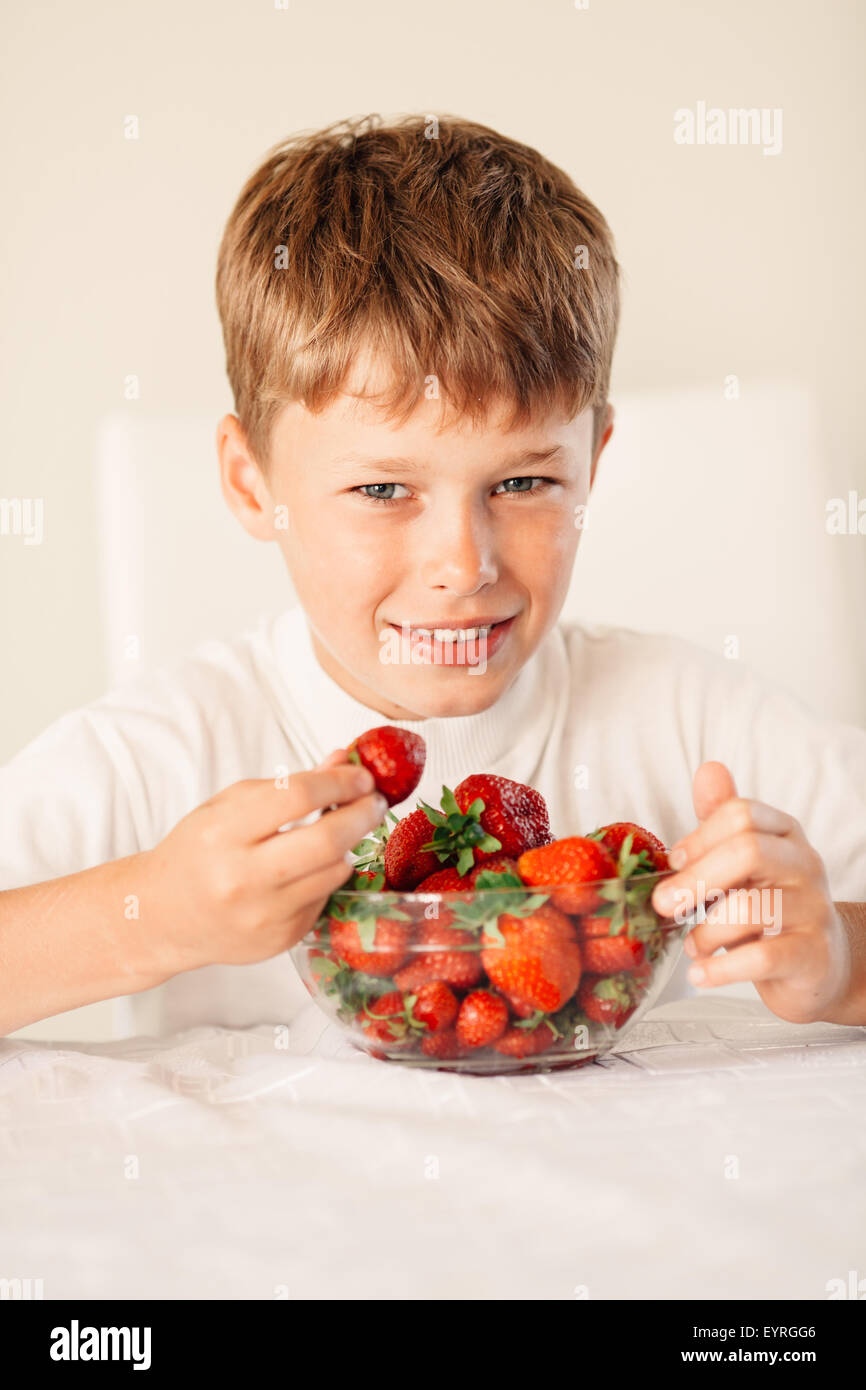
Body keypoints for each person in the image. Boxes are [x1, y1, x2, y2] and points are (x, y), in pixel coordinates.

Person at [1, 113, 864, 1039]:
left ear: (595, 466)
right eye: (382, 488)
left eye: (524, 482)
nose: (464, 565)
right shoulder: (153, 762)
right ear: (251, 483)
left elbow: (831, 943)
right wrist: (150, 916)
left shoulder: (696, 723)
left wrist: (842, 965)